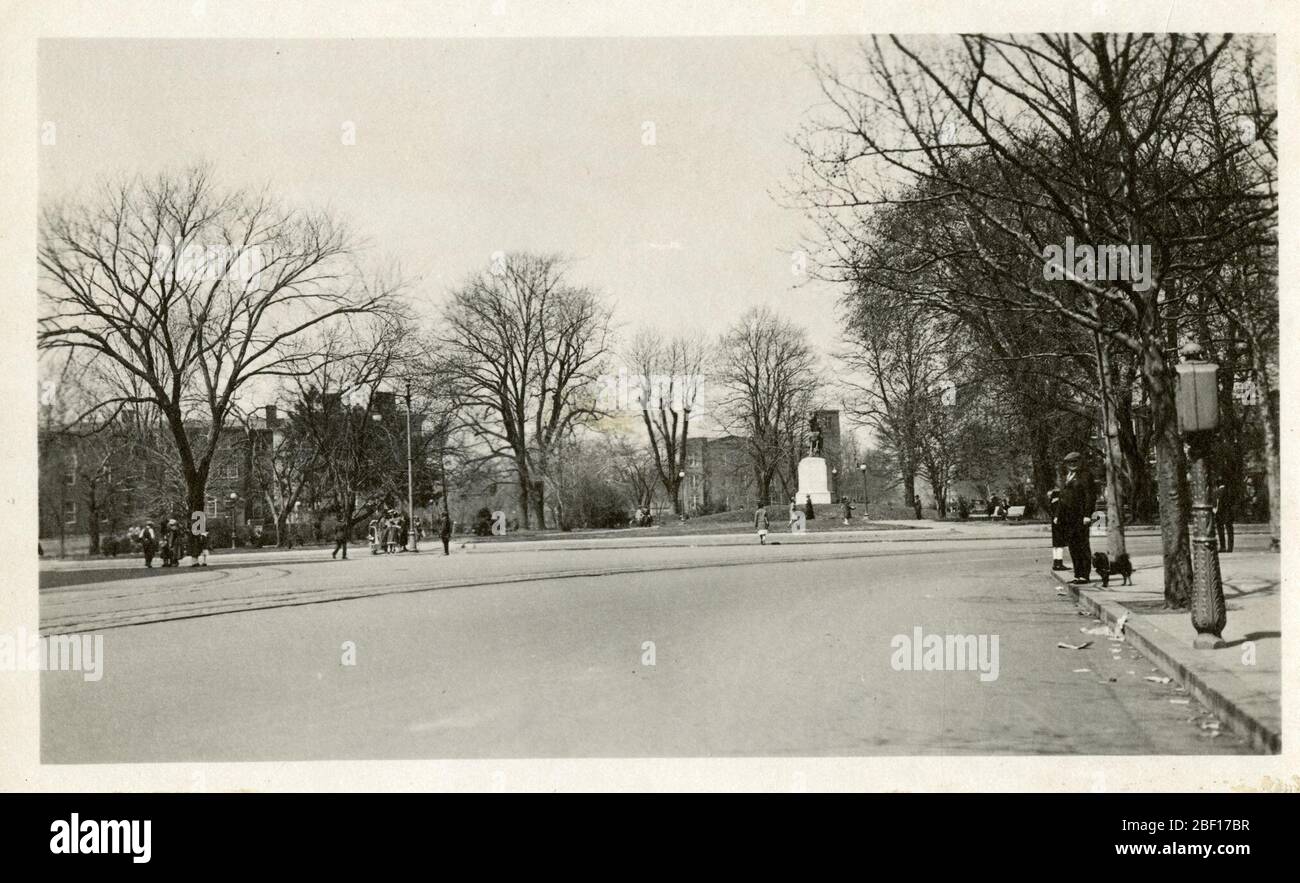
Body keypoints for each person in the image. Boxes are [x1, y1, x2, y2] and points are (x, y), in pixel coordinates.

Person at [1058, 452, 1093, 584]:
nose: (1072, 465)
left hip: (1080, 516)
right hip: (1068, 517)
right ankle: (1077, 574)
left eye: (1075, 462)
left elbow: (1090, 496)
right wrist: (1058, 515)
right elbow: (1063, 498)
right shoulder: (1067, 477)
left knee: (1082, 545)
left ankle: (1085, 575)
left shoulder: (1085, 476)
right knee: (1073, 546)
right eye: (1069, 463)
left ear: (1080, 462)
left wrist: (1087, 514)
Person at [1048, 487, 1067, 571]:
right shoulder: (1059, 503)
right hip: (1060, 524)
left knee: (1055, 544)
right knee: (1060, 545)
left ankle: (1055, 563)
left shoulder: (1051, 503)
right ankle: (1060, 563)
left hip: (1054, 525)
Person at [1213, 482, 1235, 553]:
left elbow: (1216, 504)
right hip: (1229, 513)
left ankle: (1223, 546)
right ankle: (1230, 547)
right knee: (1230, 530)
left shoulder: (1216, 492)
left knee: (1220, 530)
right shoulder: (1230, 491)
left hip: (1220, 513)